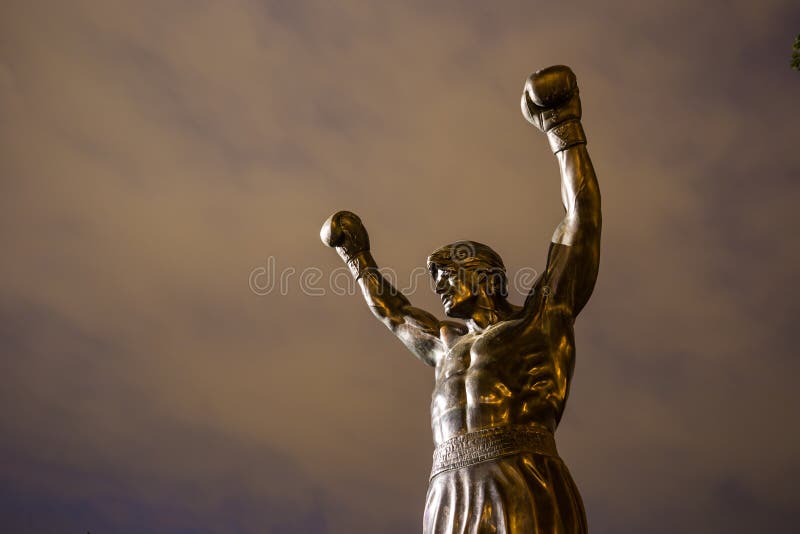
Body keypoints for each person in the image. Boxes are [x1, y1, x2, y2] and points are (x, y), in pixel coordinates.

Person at [321, 65, 600, 533]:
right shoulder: (446, 343)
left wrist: (563, 127)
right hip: (448, 487)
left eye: (448, 273)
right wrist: (356, 256)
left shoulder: (541, 320)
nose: (439, 286)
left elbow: (582, 222)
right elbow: (393, 313)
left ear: (486, 275)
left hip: (523, 473)